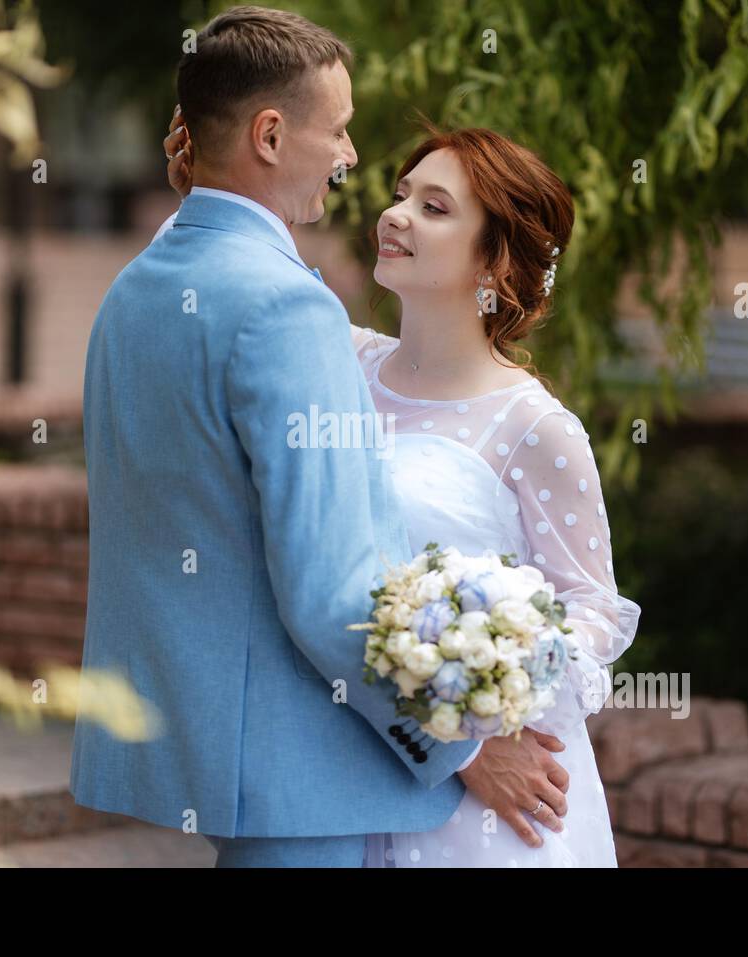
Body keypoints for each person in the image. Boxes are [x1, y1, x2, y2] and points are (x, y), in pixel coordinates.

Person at [71, 5, 571, 869]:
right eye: (336, 130)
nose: (349, 157)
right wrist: (461, 745)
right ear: (270, 134)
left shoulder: (135, 289)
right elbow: (331, 591)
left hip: (196, 743)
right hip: (294, 768)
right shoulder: (287, 308)